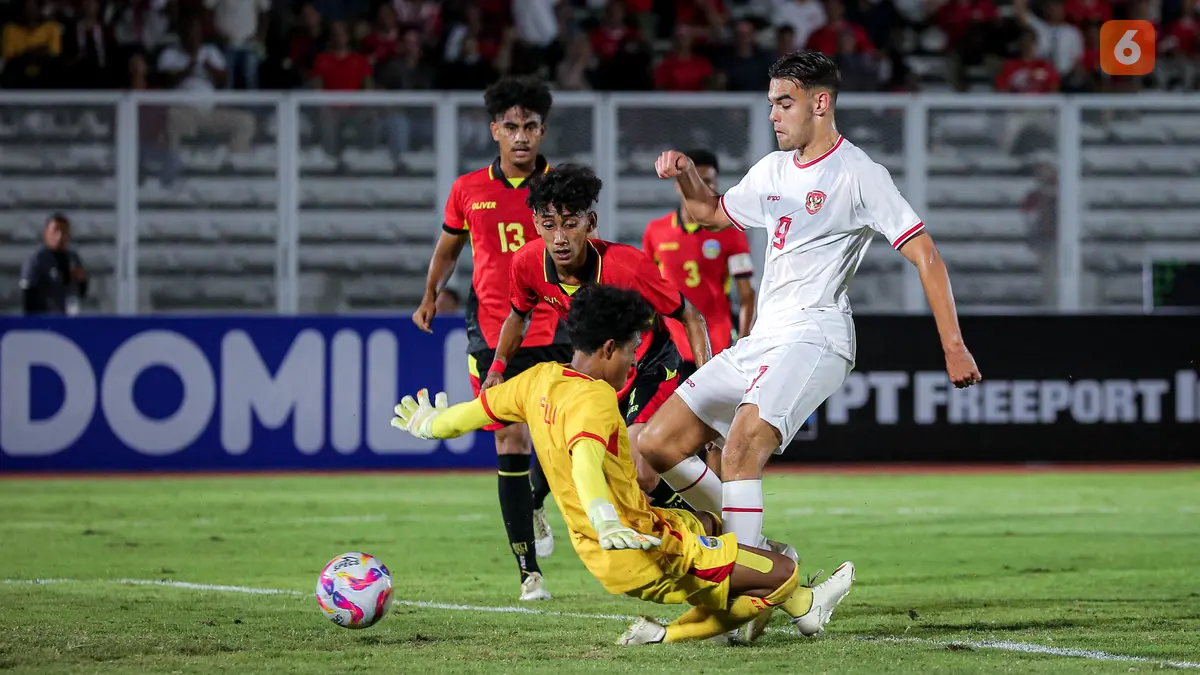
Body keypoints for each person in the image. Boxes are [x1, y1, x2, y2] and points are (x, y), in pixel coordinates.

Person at [640, 50, 981, 588]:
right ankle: (758, 552)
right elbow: (708, 213)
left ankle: (745, 589)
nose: (773, 115)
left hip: (817, 335)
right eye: (771, 103)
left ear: (820, 103)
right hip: (765, 337)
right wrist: (685, 175)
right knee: (657, 443)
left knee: (741, 447)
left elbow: (926, 256)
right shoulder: (773, 170)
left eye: (784, 103)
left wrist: (953, 345)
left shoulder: (860, 175)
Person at [390, 284, 855, 644]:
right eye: (631, 350)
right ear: (608, 348)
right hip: (640, 546)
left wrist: (431, 425)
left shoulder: (537, 380)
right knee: (782, 570)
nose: (633, 362)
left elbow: (470, 414)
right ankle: (799, 607)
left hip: (623, 537)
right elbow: (586, 462)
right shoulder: (594, 400)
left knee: (716, 524)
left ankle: (700, 614)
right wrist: (605, 517)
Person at [412, 76, 569, 602]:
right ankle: (529, 574)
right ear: (494, 130)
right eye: (511, 127)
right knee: (510, 440)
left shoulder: (563, 185)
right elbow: (448, 248)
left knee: (565, 440)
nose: (520, 136)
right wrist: (432, 293)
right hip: (491, 332)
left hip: (559, 326)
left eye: (529, 127)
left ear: (542, 130)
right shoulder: (467, 190)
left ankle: (537, 499)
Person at [488, 164, 712, 513]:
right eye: (549, 226)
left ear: (590, 224)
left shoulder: (627, 267)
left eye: (570, 224)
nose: (560, 238)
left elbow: (690, 315)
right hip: (599, 374)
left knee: (641, 472)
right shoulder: (526, 264)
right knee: (571, 453)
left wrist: (707, 388)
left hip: (649, 363)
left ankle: (699, 517)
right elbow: (518, 315)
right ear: (535, 225)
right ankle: (539, 503)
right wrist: (497, 367)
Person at [642, 149, 755, 380]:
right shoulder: (656, 232)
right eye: (694, 180)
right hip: (670, 348)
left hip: (717, 344)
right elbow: (647, 291)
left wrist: (744, 342)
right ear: (678, 184)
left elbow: (747, 295)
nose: (701, 187)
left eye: (708, 182)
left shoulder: (730, 233)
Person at [20, 213, 88, 315]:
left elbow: (80, 292)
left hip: (68, 317)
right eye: (55, 231)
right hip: (45, 318)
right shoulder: (37, 260)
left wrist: (82, 281)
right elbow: (28, 294)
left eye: (64, 232)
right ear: (46, 233)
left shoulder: (73, 259)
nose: (59, 236)